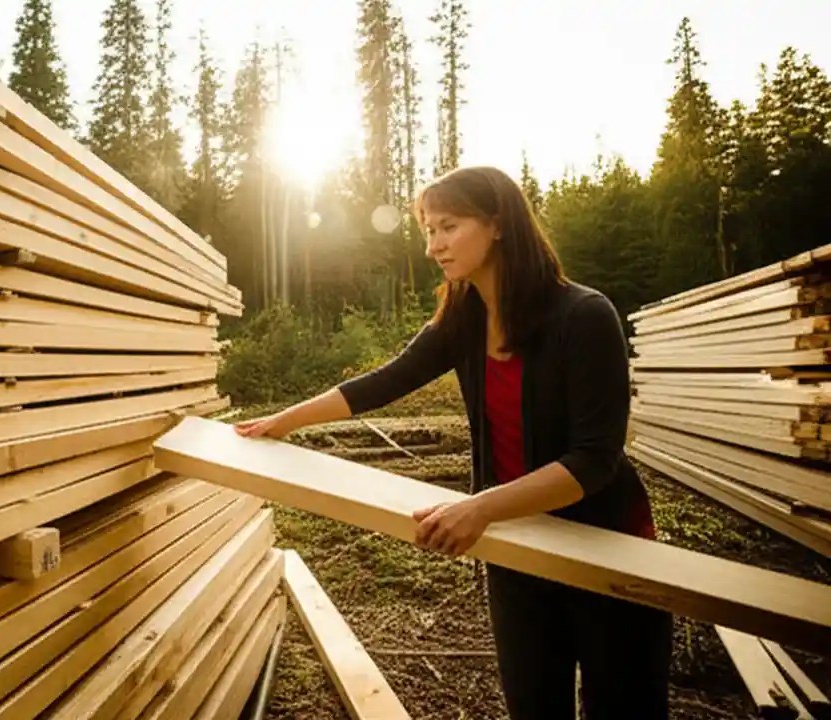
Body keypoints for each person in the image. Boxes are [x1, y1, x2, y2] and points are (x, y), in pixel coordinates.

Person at [234, 166, 672, 720]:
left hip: (606, 547)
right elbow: (387, 380)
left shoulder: (584, 316)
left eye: (448, 227)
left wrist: (479, 508)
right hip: (515, 547)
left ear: (498, 224)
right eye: (428, 230)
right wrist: (286, 420)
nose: (433, 245)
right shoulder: (464, 320)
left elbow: (593, 461)